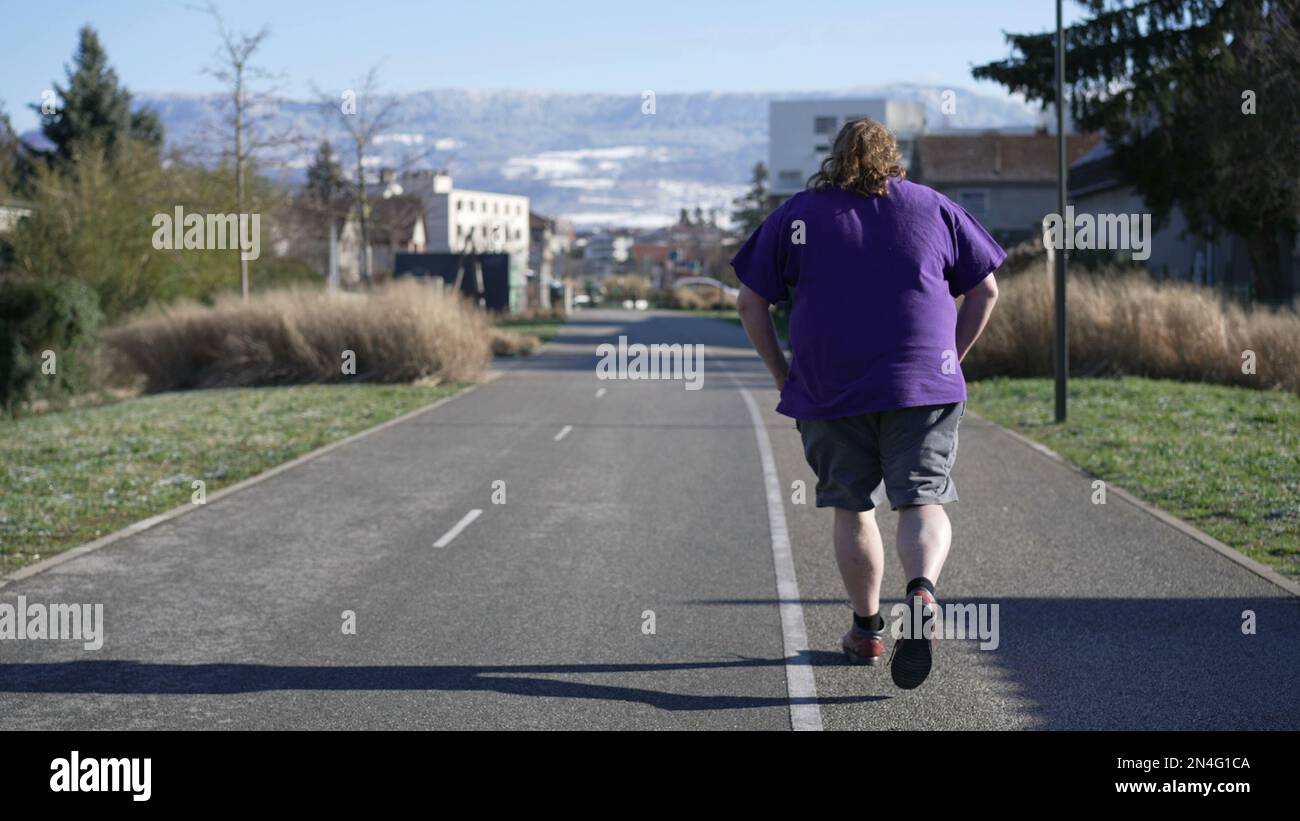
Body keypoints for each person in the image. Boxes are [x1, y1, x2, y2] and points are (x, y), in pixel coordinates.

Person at [732, 117, 1003, 690]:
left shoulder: (798, 216)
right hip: (923, 386)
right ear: (893, 156)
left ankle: (868, 630)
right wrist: (951, 356)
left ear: (834, 157)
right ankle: (922, 591)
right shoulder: (933, 207)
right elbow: (985, 288)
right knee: (920, 499)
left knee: (853, 506)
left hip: (829, 388)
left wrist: (783, 375)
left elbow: (751, 303)